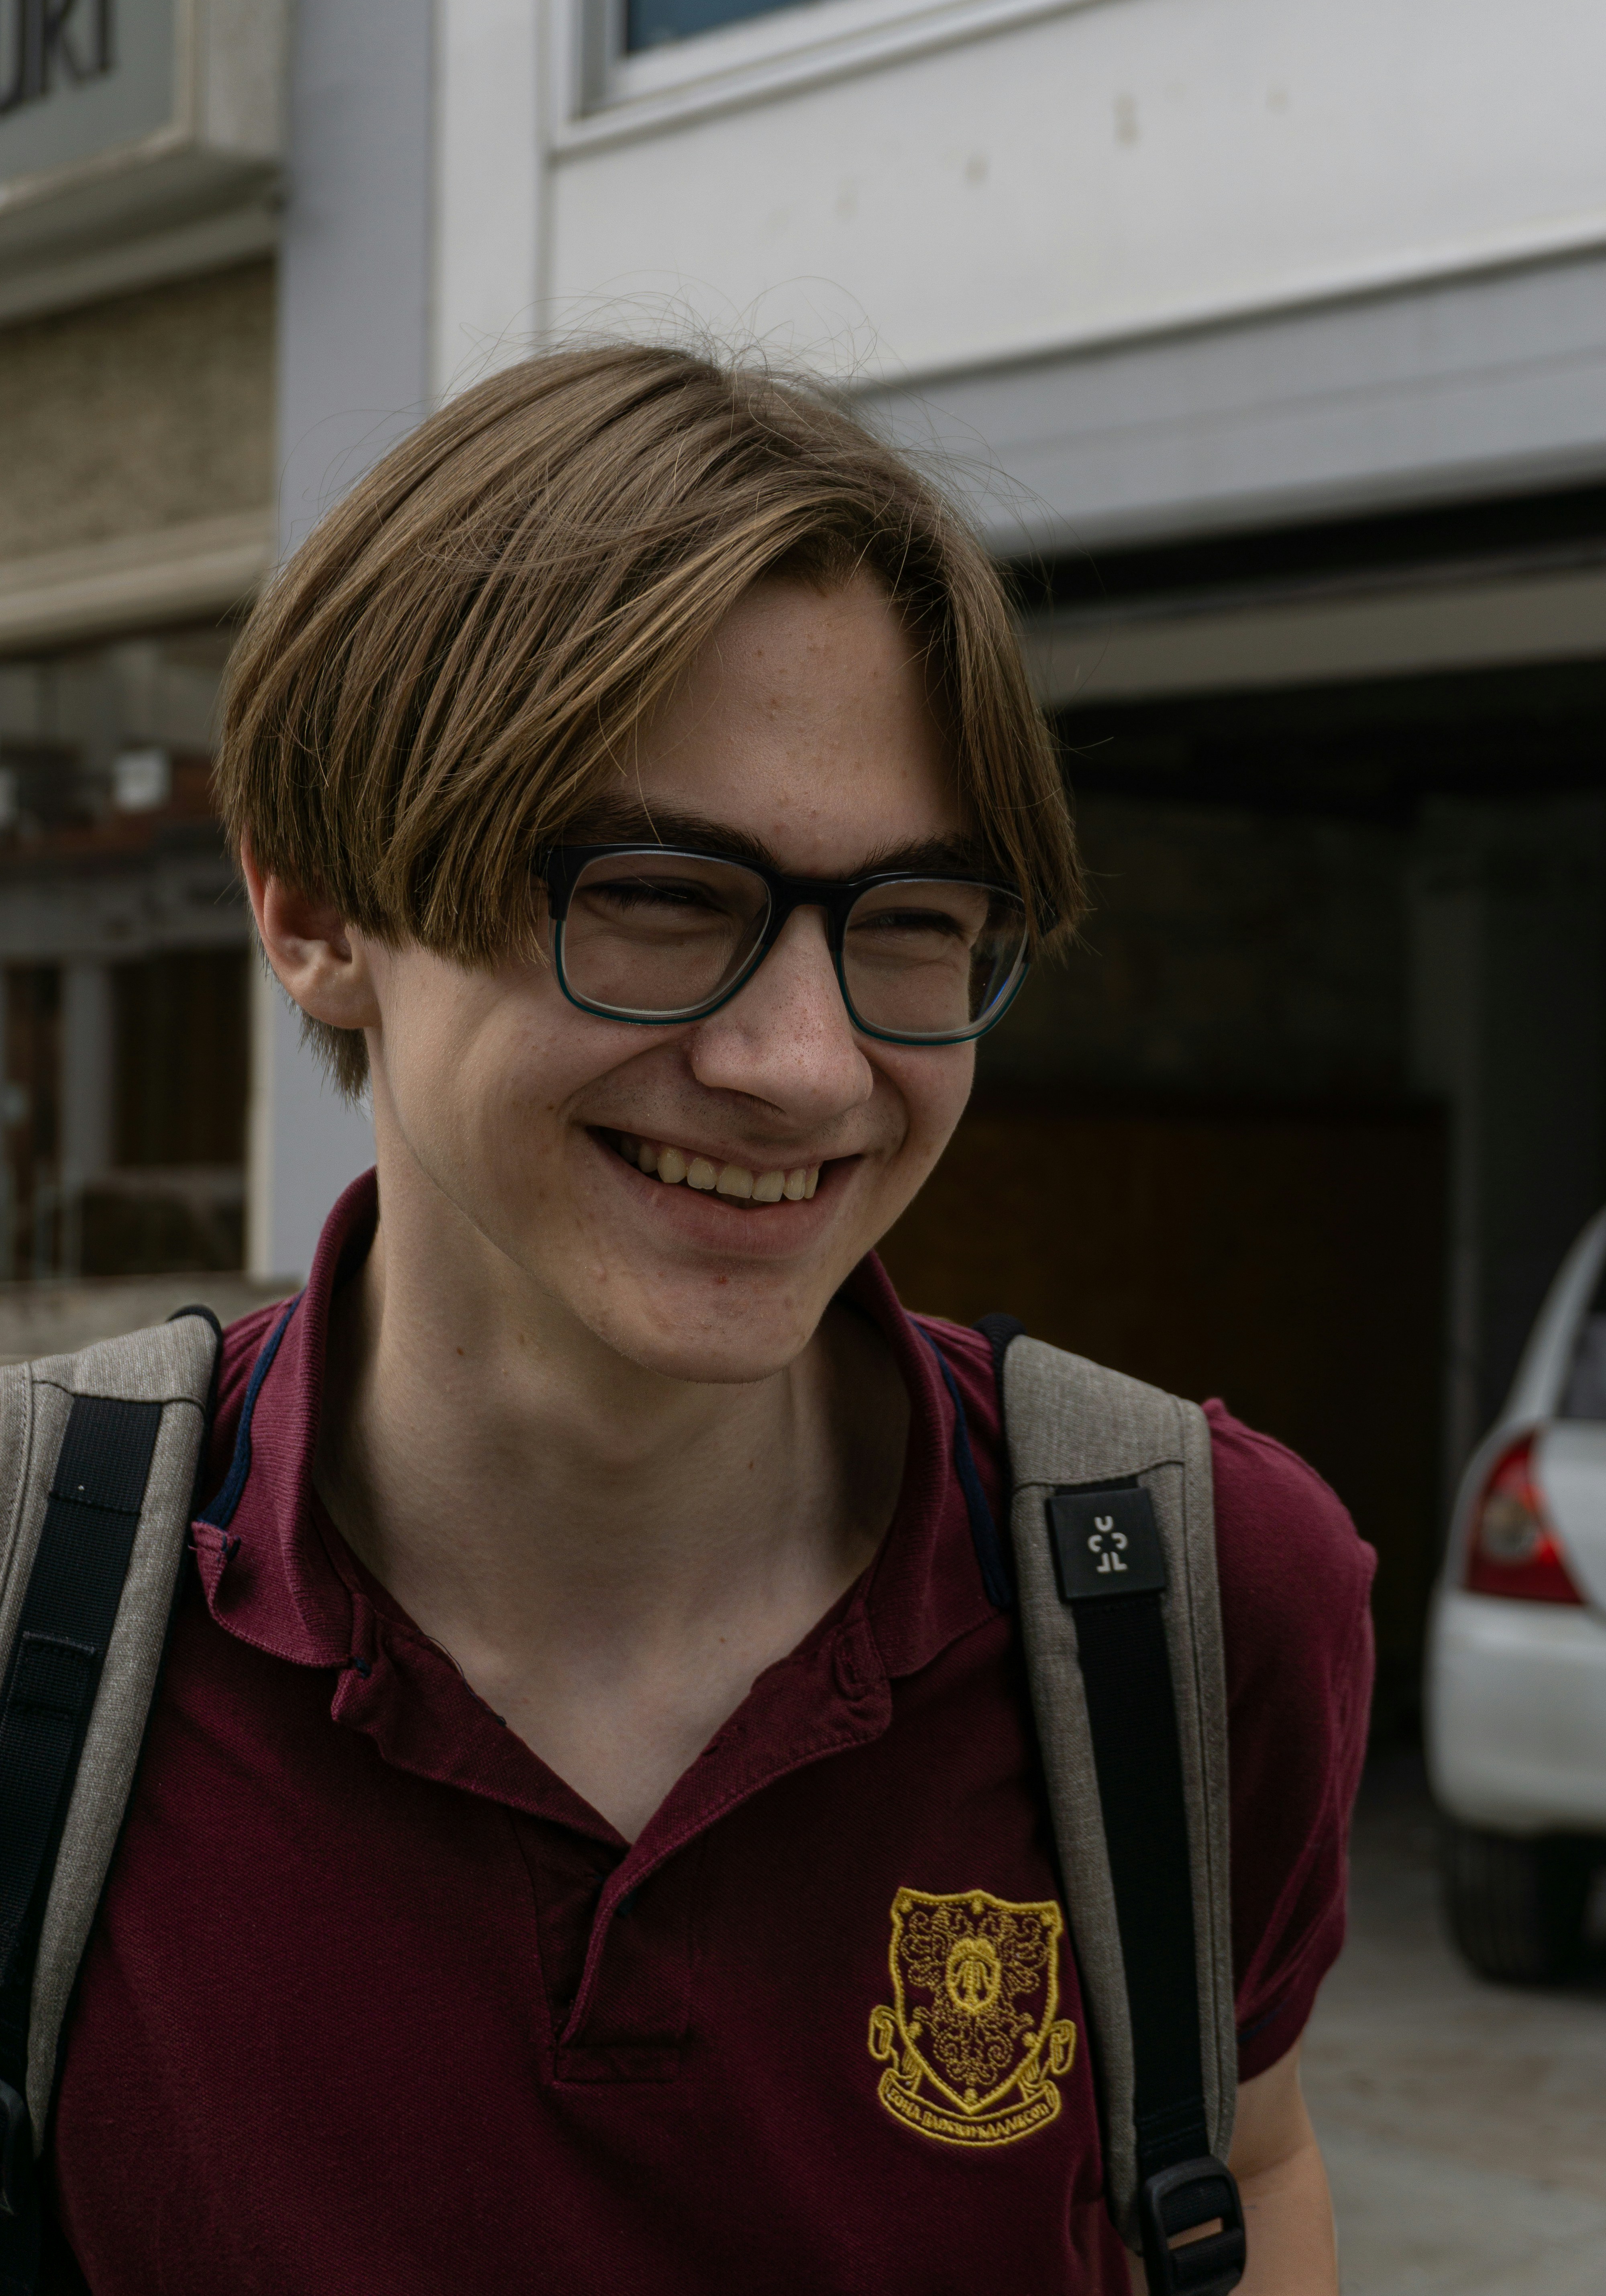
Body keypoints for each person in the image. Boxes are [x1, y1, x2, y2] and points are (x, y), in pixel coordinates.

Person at [47, 346, 1372, 2294]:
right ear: (318, 911)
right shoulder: (38, 1618)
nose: (809, 1067)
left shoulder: (1184, 1592)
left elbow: (1240, 2169)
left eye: (911, 924)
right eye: (661, 894)